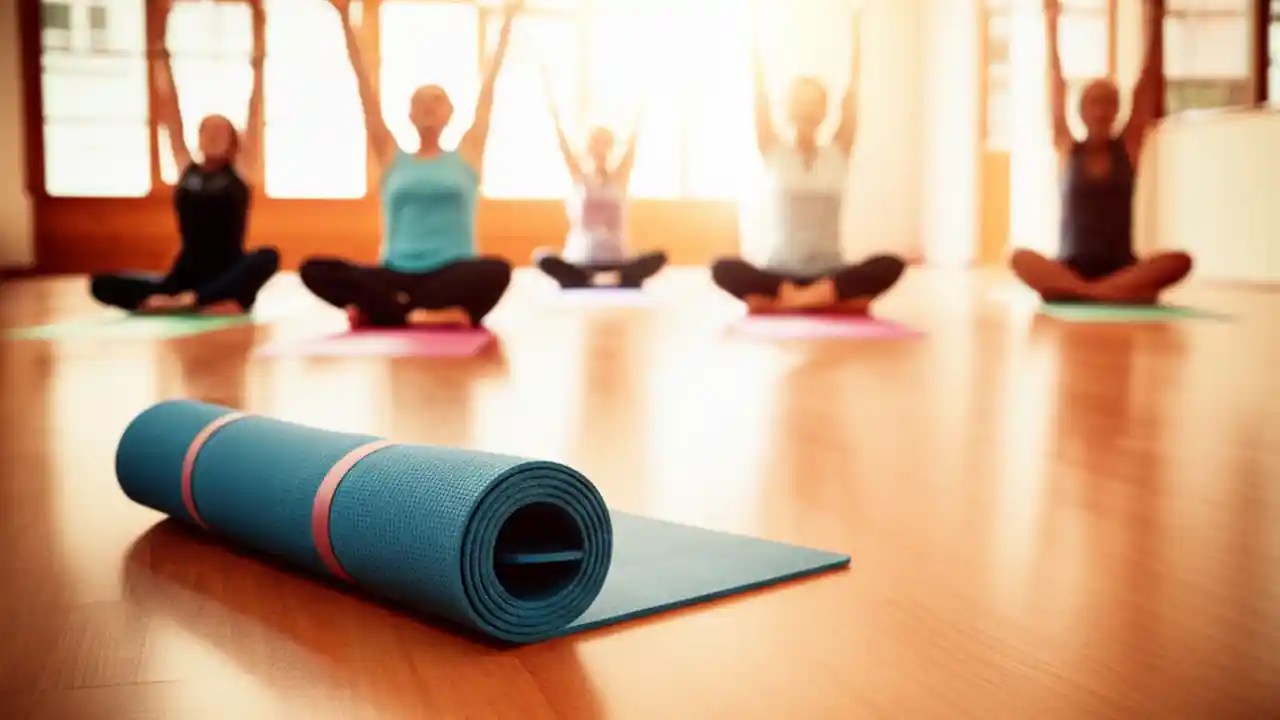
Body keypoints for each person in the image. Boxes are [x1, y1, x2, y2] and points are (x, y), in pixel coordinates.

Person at [300, 0, 520, 328]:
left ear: (450, 112)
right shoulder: (391, 156)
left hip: (452, 271)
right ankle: (428, 312)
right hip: (394, 273)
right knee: (314, 268)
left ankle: (387, 311)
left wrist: (506, 22)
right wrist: (345, 19)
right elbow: (366, 92)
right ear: (409, 114)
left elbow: (490, 86)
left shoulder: (467, 155)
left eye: (437, 101)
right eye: (419, 102)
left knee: (497, 271)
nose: (428, 107)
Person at [711, 3, 905, 315]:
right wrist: (754, 24)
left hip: (830, 272)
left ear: (824, 109)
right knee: (722, 267)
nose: (806, 108)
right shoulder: (773, 149)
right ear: (788, 108)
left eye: (813, 101)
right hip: (781, 272)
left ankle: (791, 300)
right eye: (799, 101)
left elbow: (851, 96)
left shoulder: (838, 151)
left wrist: (857, 37)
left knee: (891, 264)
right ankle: (826, 299)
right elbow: (758, 92)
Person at [91, 0, 278, 315]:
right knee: (100, 283)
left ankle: (192, 300)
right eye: (207, 131)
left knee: (267, 257)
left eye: (221, 132)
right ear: (198, 138)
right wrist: (160, 43)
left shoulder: (241, 171)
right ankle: (187, 299)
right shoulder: (186, 168)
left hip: (229, 273)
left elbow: (256, 106)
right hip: (185, 274)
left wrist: (259, 45)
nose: (213, 136)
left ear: (234, 141)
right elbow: (169, 106)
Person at [1011, 0, 1192, 304]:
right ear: (1081, 110)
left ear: (1118, 110)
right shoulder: (1067, 147)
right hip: (1071, 268)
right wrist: (1051, 25)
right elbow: (1056, 87)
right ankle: (1105, 293)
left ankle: (1091, 293)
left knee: (1180, 261)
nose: (1101, 110)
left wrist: (1156, 20)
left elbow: (1147, 83)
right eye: (1094, 102)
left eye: (1109, 102)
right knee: (1018, 258)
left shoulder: (1129, 147)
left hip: (1120, 268)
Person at [533, 74, 666, 289]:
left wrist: (643, 99)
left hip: (619, 260)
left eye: (605, 144)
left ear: (611, 148)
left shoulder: (620, 178)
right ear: (588, 148)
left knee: (658, 256)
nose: (600, 149)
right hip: (582, 261)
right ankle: (588, 278)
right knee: (542, 257)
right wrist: (552, 106)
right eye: (596, 144)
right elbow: (562, 143)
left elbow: (634, 139)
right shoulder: (579, 178)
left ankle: (615, 278)